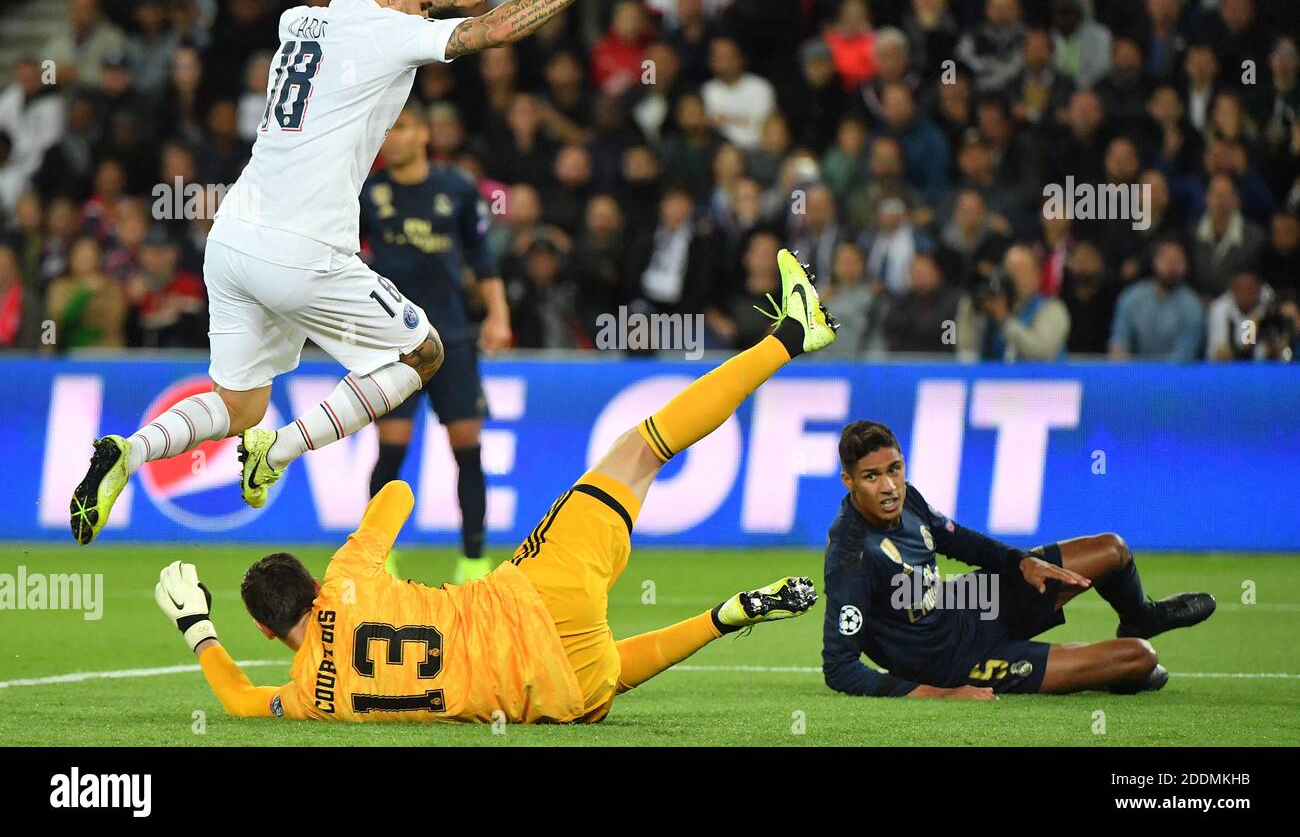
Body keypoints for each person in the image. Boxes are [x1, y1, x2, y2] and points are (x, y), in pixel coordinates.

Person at [69, 0, 651, 545]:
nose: (430, 16)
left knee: (238, 406)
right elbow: (497, 30)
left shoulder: (303, 20)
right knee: (421, 353)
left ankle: (129, 453)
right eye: (424, 5)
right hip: (302, 248)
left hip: (234, 238)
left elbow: (388, 8)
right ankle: (279, 451)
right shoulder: (387, 34)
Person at [154, 250, 834, 724]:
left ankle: (724, 617)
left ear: (268, 634)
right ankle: (792, 335)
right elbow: (398, 498)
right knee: (641, 450)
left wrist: (195, 627)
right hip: (533, 600)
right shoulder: (348, 578)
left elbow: (242, 701)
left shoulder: (309, 698)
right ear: (312, 589)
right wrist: (344, 540)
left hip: (553, 698)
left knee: (599, 669)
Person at [822, 421, 1215, 698]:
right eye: (872, 476)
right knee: (1140, 657)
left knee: (1112, 549)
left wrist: (1020, 562)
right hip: (957, 663)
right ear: (849, 481)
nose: (890, 487)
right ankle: (1109, 668)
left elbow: (964, 544)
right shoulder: (850, 554)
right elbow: (840, 669)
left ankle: (1140, 618)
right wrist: (938, 694)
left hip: (970, 603)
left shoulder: (910, 499)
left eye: (895, 469)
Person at [361, 101, 511, 584]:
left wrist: (498, 314)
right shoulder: (368, 192)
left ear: (424, 133)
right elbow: (339, 257)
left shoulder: (457, 188)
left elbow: (482, 260)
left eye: (402, 128)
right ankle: (378, 555)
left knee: (467, 447)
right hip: (392, 343)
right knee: (392, 447)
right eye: (387, 130)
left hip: (451, 338)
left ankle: (472, 559)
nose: (393, 138)